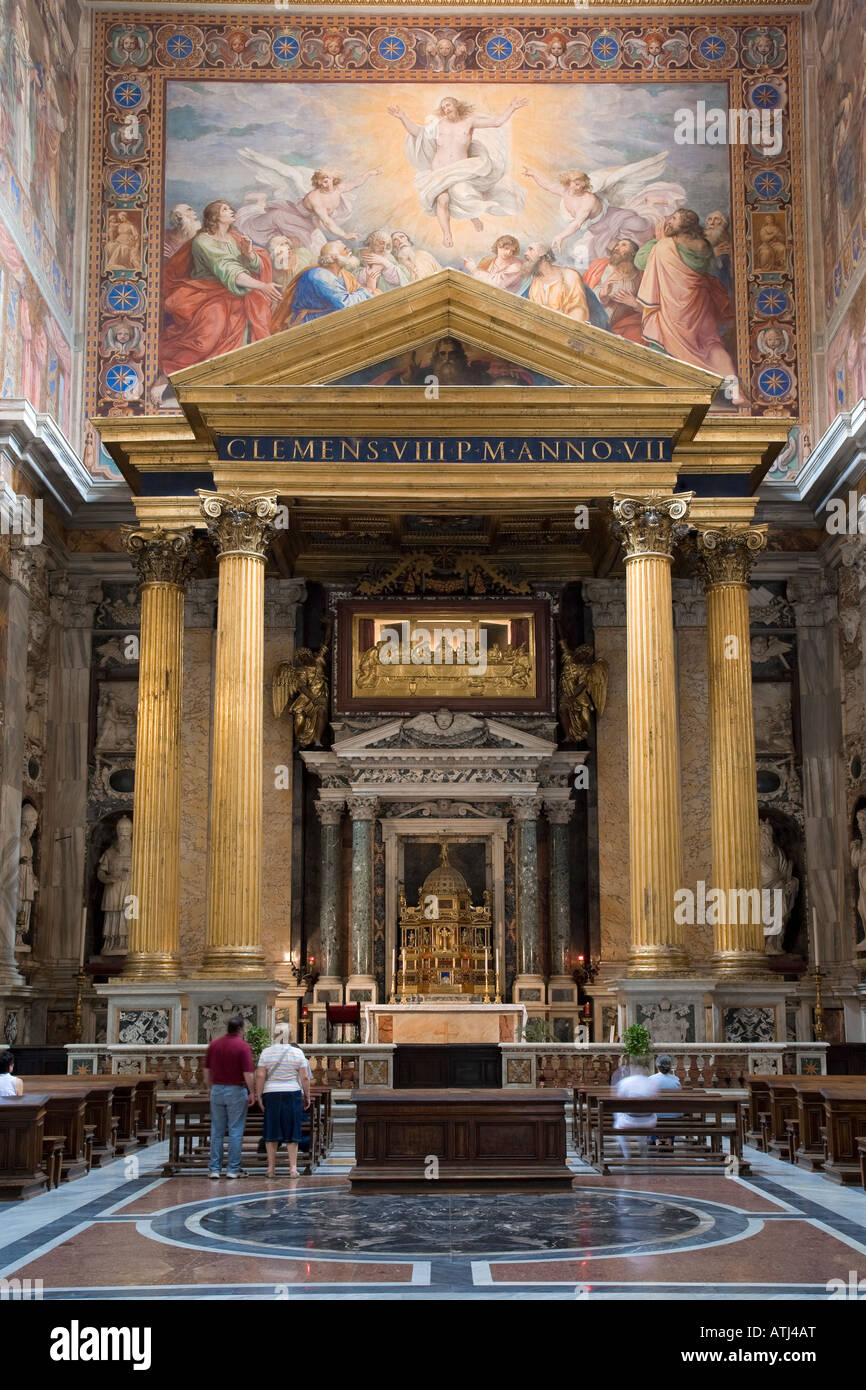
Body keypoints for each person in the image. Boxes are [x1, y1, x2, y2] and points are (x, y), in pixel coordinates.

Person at [388, 94, 528, 246]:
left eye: (448, 105)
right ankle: (447, 234)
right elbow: (417, 132)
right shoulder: (438, 124)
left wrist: (512, 107)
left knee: (463, 194)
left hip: (461, 169)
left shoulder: (469, 121)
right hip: (439, 171)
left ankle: (473, 216)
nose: (446, 109)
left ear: (456, 105)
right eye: (443, 107)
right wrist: (402, 117)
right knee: (443, 199)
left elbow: (496, 122)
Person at [254, 1024, 312, 1180]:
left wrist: (259, 1095)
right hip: (292, 1093)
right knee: (292, 1130)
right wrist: (307, 1095)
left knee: (271, 1130)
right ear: (290, 1035)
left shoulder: (266, 1052)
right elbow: (305, 1077)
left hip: (271, 1094)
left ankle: (271, 1168)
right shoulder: (297, 1052)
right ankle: (292, 1168)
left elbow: (260, 1076)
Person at [203, 1015, 255, 1179]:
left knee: (217, 1131)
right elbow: (248, 1073)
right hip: (236, 1090)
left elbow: (206, 1070)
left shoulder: (214, 1044)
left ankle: (215, 1169)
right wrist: (252, 1091)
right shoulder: (242, 1046)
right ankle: (233, 1169)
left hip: (217, 1089)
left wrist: (209, 1087)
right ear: (240, 1029)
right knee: (235, 1130)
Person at [613, 1061, 658, 1160]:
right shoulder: (650, 1082)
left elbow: (618, 1099)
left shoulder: (625, 1082)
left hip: (628, 1122)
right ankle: (643, 1148)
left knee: (618, 1119)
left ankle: (626, 1152)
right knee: (648, 1114)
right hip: (648, 1122)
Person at [649, 1053, 682, 1146]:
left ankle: (656, 1139)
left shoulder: (650, 1080)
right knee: (672, 1113)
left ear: (657, 1066)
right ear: (670, 1067)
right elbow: (680, 1097)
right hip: (672, 1115)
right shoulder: (676, 1080)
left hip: (655, 1115)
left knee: (648, 1115)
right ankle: (669, 1139)